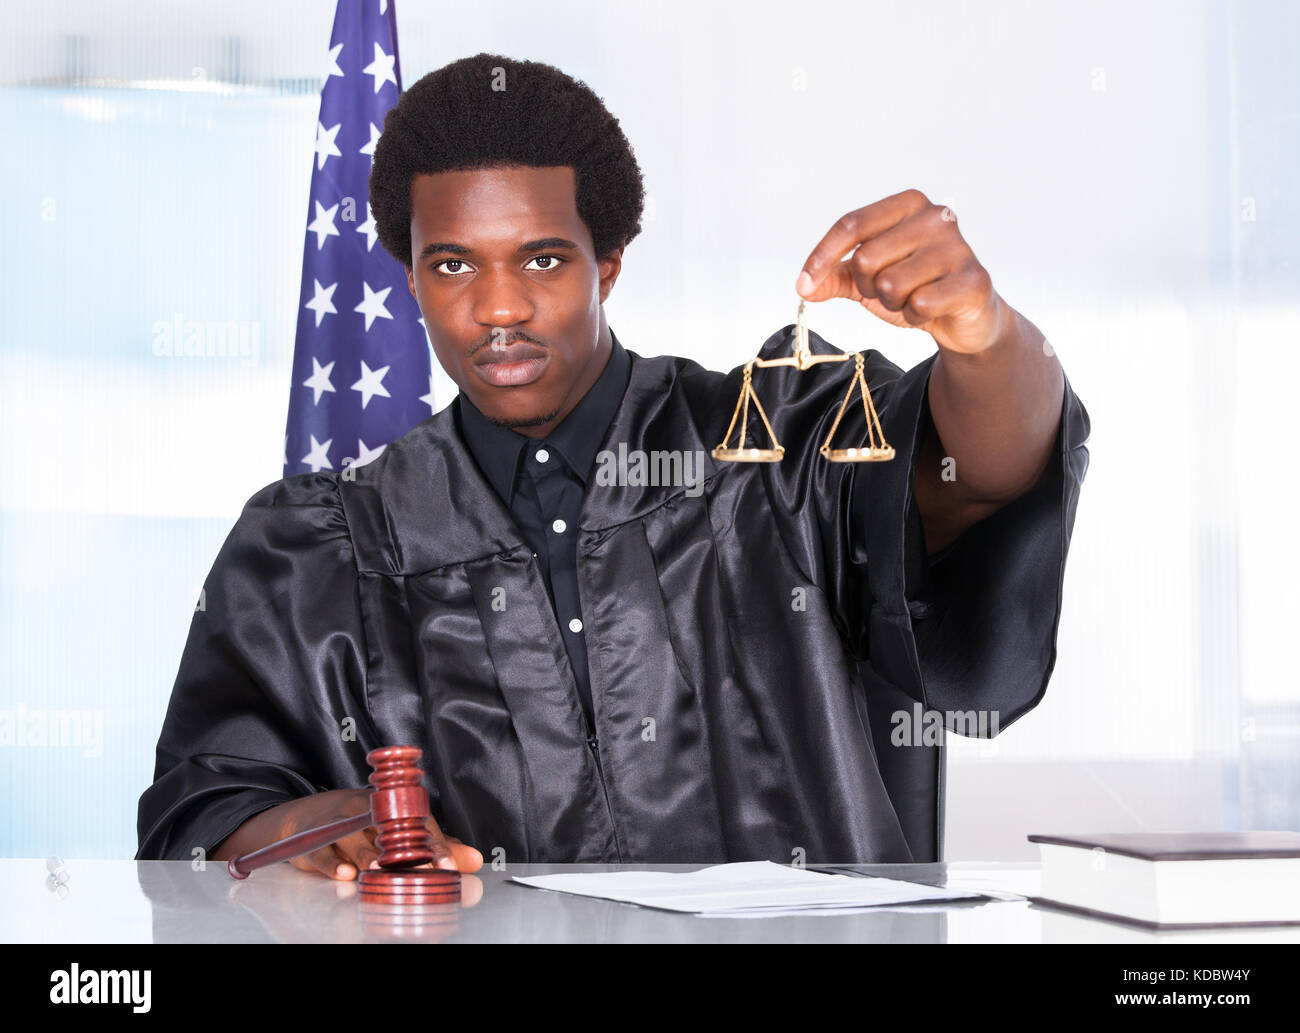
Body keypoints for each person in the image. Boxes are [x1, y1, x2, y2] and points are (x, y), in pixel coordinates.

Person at [137, 52, 1089, 877]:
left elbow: (986, 480)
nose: (498, 307)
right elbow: (205, 809)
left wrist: (985, 338)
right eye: (454, 265)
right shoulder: (315, 547)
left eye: (543, 259)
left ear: (610, 263)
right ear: (411, 272)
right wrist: (297, 828)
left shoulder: (780, 450)